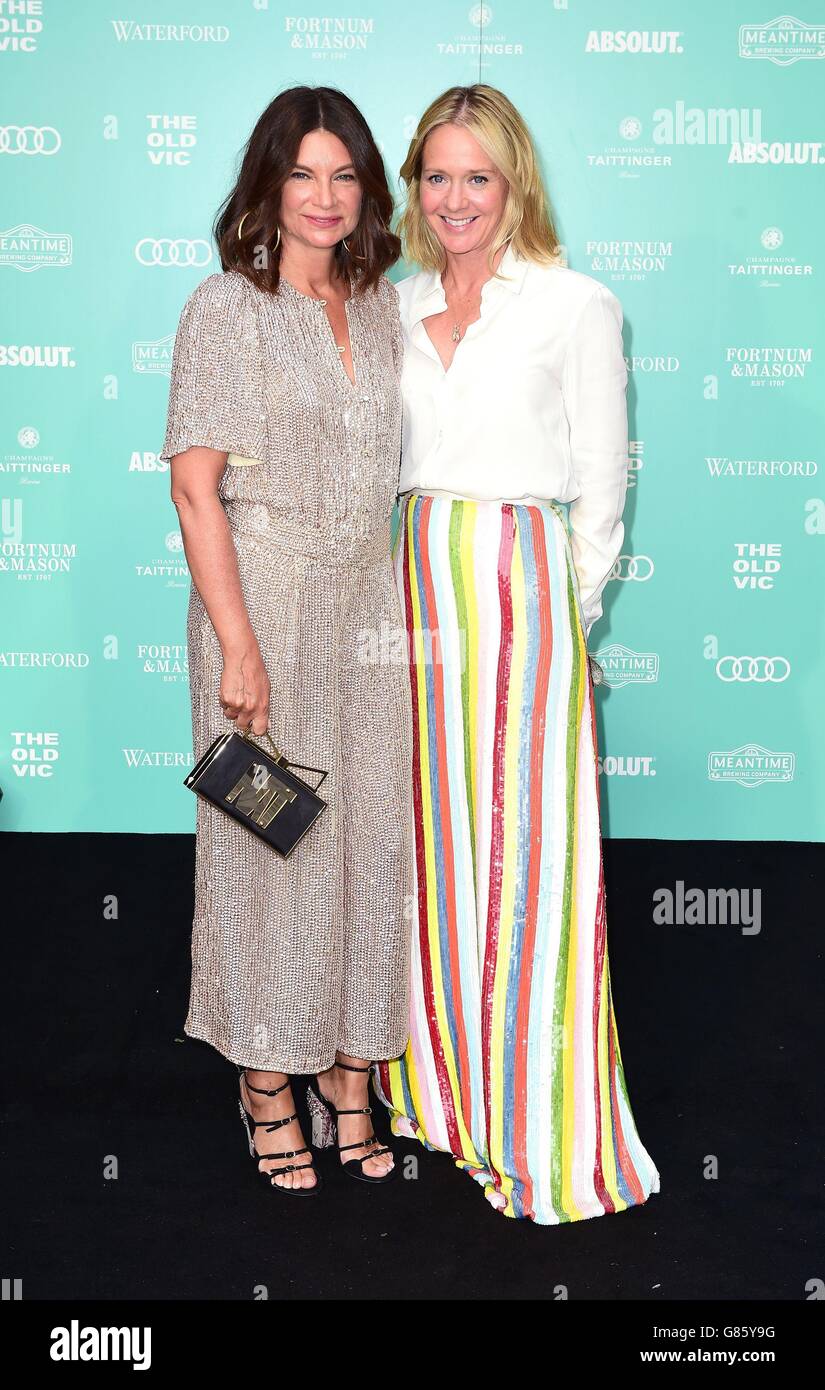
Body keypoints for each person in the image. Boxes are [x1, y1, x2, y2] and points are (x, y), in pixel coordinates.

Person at [373, 84, 661, 1223]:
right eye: (435, 176)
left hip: (520, 594)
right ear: (415, 188)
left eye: (476, 177)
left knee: (527, 857)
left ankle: (541, 1122)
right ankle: (438, 1095)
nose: (454, 198)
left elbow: (601, 485)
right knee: (428, 852)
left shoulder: (576, 304)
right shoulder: (386, 304)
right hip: (406, 587)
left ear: (515, 184)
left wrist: (559, 618)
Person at [159, 85, 413, 1195]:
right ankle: (267, 1081)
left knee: (373, 848)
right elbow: (195, 491)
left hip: (376, 610)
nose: (324, 197)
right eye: (302, 173)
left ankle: (348, 1073)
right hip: (263, 597)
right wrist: (237, 645)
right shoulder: (228, 307)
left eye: (343, 174)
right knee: (275, 845)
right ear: (269, 184)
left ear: (367, 190)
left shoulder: (385, 305)